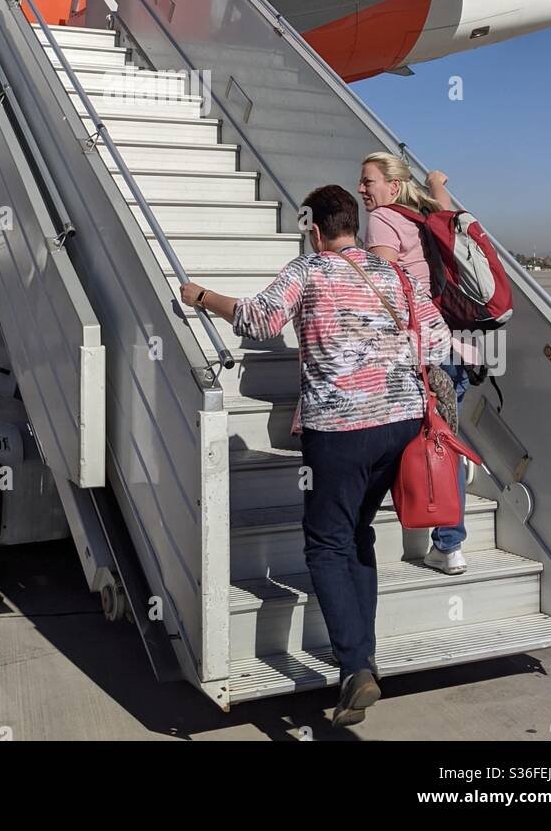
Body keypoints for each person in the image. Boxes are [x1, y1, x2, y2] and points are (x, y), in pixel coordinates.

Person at [181, 184, 451, 727]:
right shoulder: (395, 275)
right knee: (357, 534)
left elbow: (259, 320)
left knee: (326, 543)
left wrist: (202, 297)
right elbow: (439, 341)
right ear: (353, 223)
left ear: (313, 228)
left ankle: (355, 669)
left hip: (340, 429)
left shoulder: (307, 271)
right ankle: (365, 654)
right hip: (399, 425)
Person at [358, 150, 472, 576]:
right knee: (442, 438)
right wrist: (439, 184)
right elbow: (455, 218)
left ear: (392, 184)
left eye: (368, 181)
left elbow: (383, 290)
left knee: (421, 440)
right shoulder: (425, 215)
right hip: (453, 343)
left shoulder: (383, 219)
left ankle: (440, 536)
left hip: (417, 348)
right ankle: (448, 541)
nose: (362, 189)